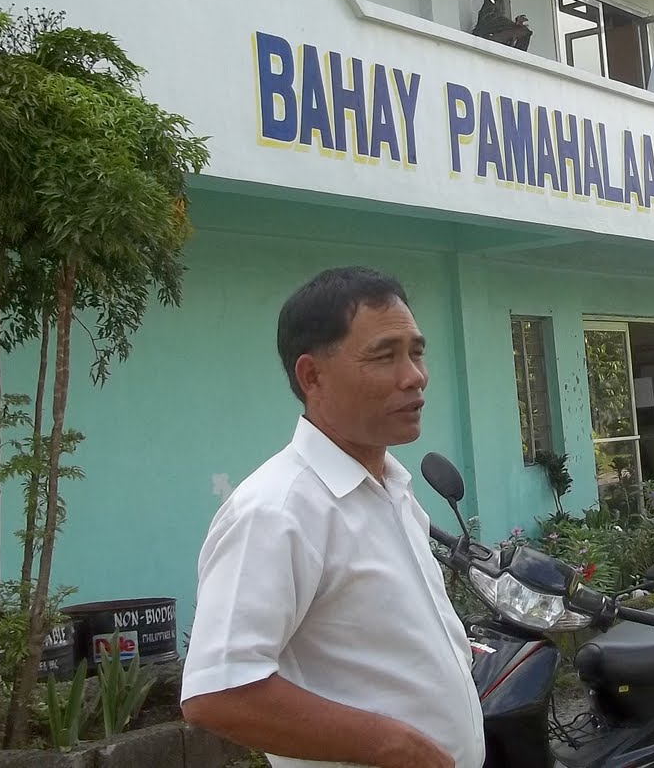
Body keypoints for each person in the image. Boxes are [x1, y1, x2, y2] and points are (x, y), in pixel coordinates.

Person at [181, 267, 483, 768]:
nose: (415, 376)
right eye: (385, 355)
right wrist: (391, 745)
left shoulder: (394, 488)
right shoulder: (277, 510)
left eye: (416, 351)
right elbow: (219, 691)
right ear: (311, 376)